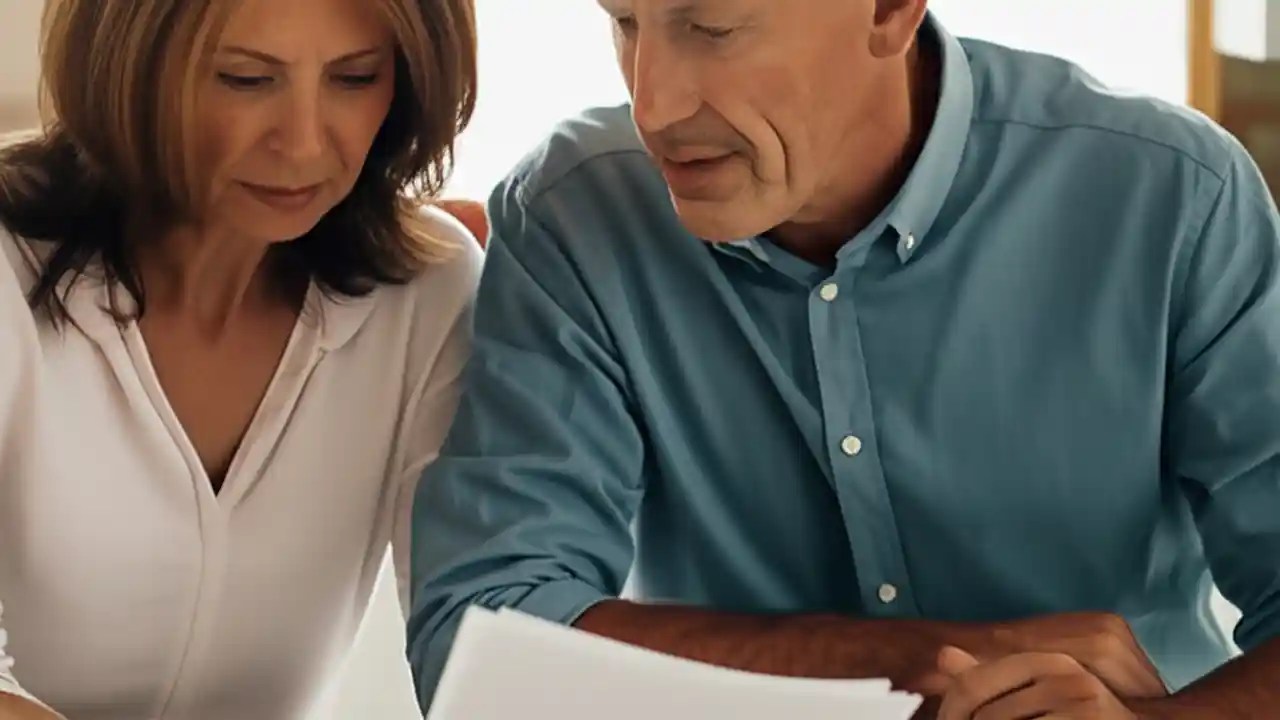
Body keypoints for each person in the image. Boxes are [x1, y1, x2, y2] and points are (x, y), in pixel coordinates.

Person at [407, 1, 1280, 718]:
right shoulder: (575, 216)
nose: (653, 106)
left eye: (711, 28)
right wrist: (935, 665)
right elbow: (481, 636)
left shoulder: (1173, 198)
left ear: (889, 10)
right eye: (625, 22)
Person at [0, 0, 480, 717]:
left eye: (354, 78)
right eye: (245, 79)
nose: (304, 143)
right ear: (130, 65)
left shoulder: (429, 294)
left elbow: (478, 641)